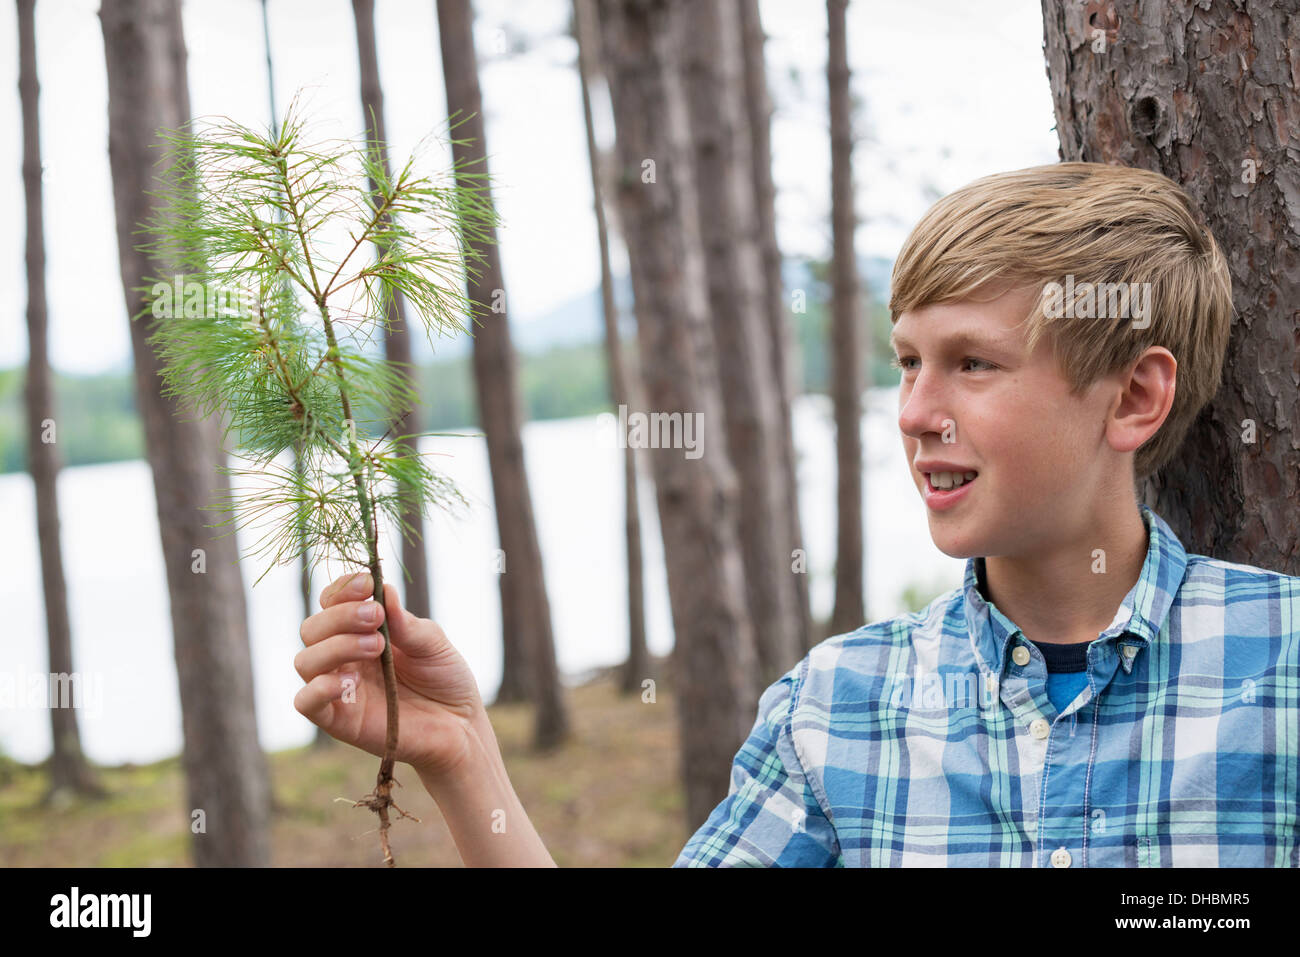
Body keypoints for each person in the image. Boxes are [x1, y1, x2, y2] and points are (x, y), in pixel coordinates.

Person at [294, 162, 1299, 867]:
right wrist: (464, 756)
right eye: (906, 362)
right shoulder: (837, 711)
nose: (913, 412)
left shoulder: (1282, 667)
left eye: (972, 363)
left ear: (1132, 399)